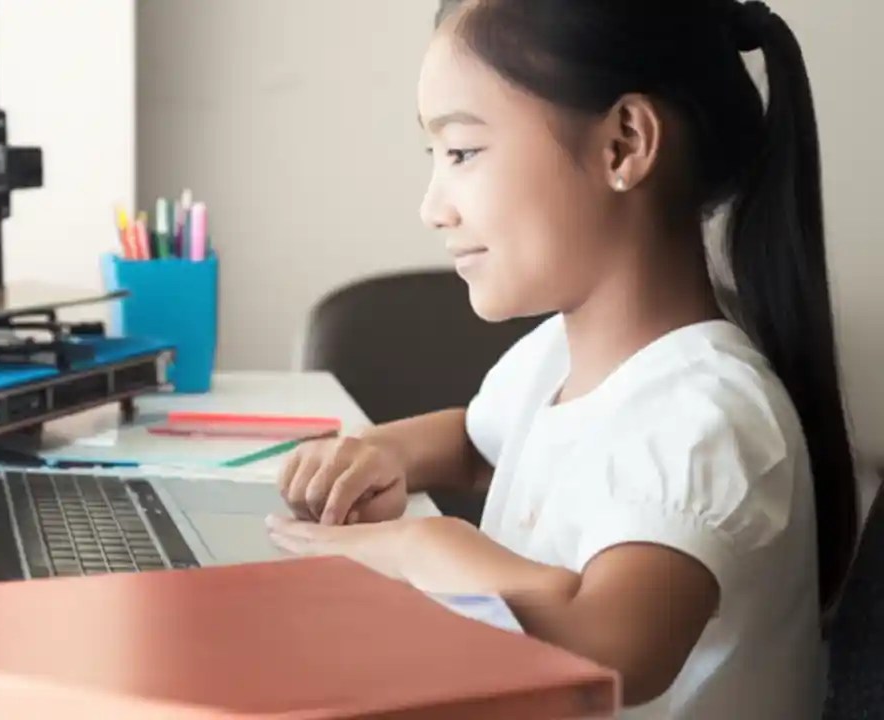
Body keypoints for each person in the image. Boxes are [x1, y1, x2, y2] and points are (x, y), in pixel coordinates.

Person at [265, 1, 859, 717]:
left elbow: (607, 644)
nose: (433, 207)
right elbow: (482, 446)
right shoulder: (557, 355)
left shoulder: (709, 413)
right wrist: (382, 451)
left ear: (623, 145)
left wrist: (422, 550)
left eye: (462, 152)